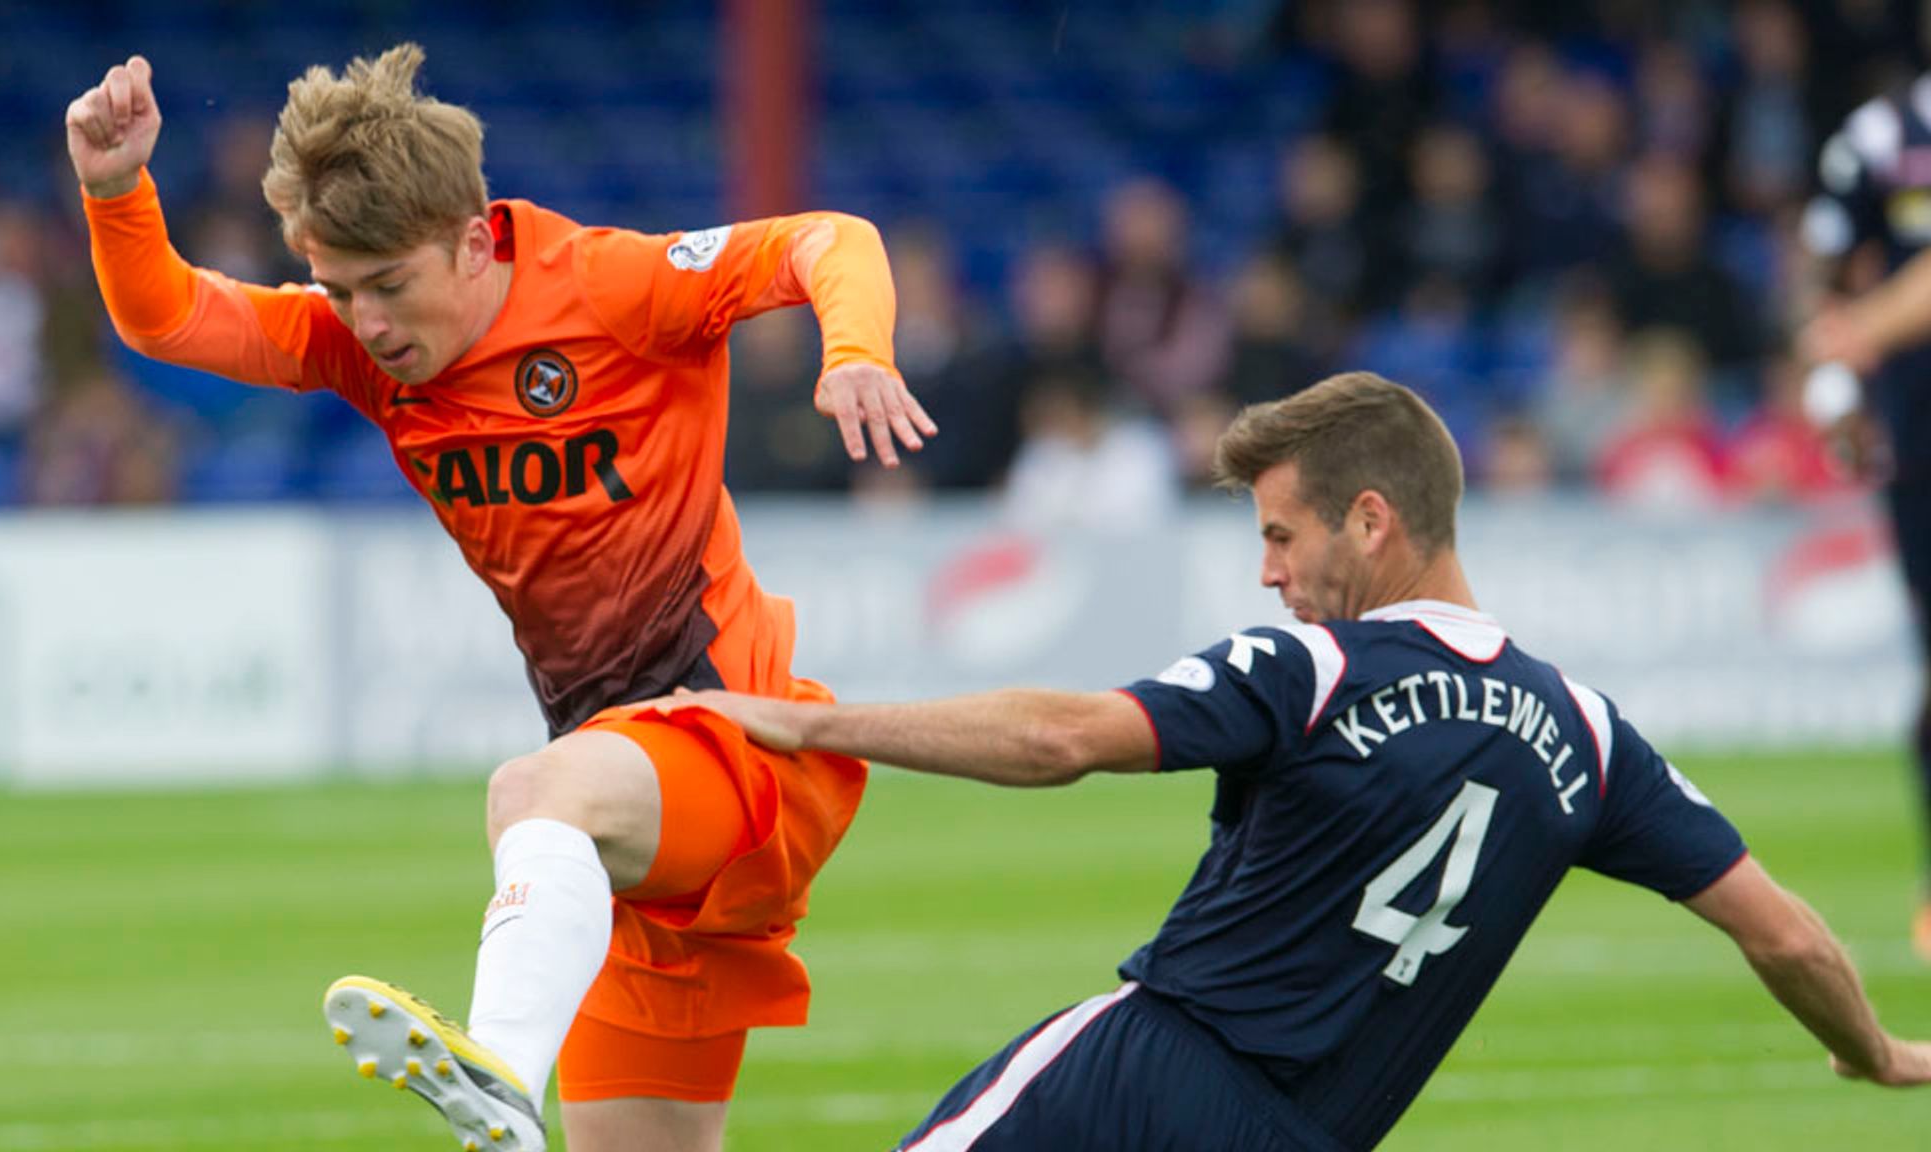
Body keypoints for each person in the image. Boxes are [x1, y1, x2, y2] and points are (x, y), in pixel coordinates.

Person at [657, 372, 1931, 1151]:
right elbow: (1784, 936)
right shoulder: (1589, 740)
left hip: (1148, 1081)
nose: (1267, 573)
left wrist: (812, 724)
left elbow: (1059, 737)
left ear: (1369, 521)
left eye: (1280, 535)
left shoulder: (1315, 668)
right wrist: (1872, 1051)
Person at [63, 46, 935, 1152]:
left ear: (474, 243)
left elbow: (828, 238)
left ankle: (498, 1078)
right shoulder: (359, 349)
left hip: (741, 744)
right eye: (340, 289)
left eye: (390, 285)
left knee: (531, 792)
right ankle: (508, 1092)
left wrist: (853, 350)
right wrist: (114, 190)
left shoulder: (611, 287)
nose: (367, 321)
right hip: (625, 835)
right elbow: (170, 317)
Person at [1799, 67, 1931, 961]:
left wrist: (1859, 336)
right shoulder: (1879, 139)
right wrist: (1839, 383)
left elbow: (1852, 315)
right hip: (1920, 447)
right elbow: (1828, 275)